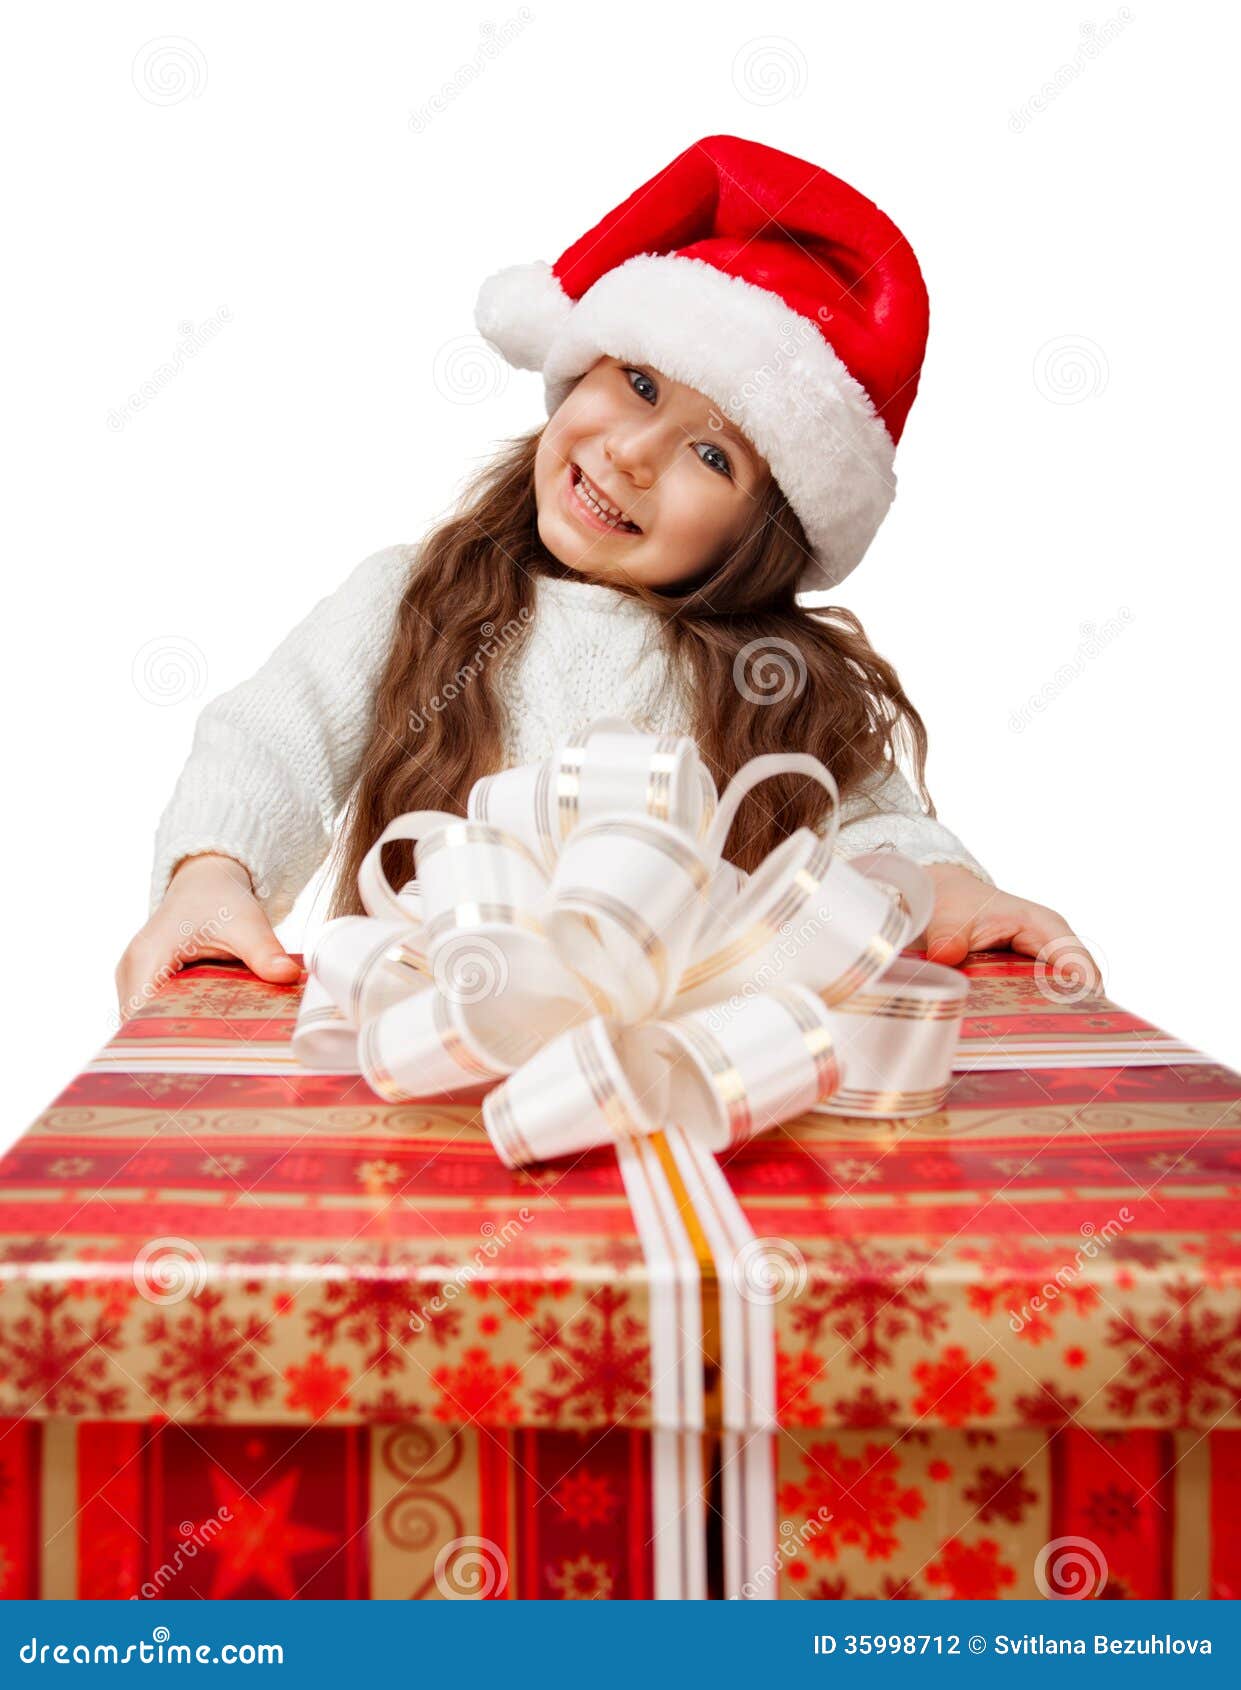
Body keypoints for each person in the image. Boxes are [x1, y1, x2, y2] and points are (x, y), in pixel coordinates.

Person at [115, 134, 1097, 1016]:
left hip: (700, 1086)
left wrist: (948, 888)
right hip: (431, 1060)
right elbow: (269, 741)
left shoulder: (779, 683)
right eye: (637, 383)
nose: (632, 453)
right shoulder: (411, 599)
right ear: (575, 366)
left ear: (764, 532)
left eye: (712, 458)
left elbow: (876, 831)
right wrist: (212, 874)